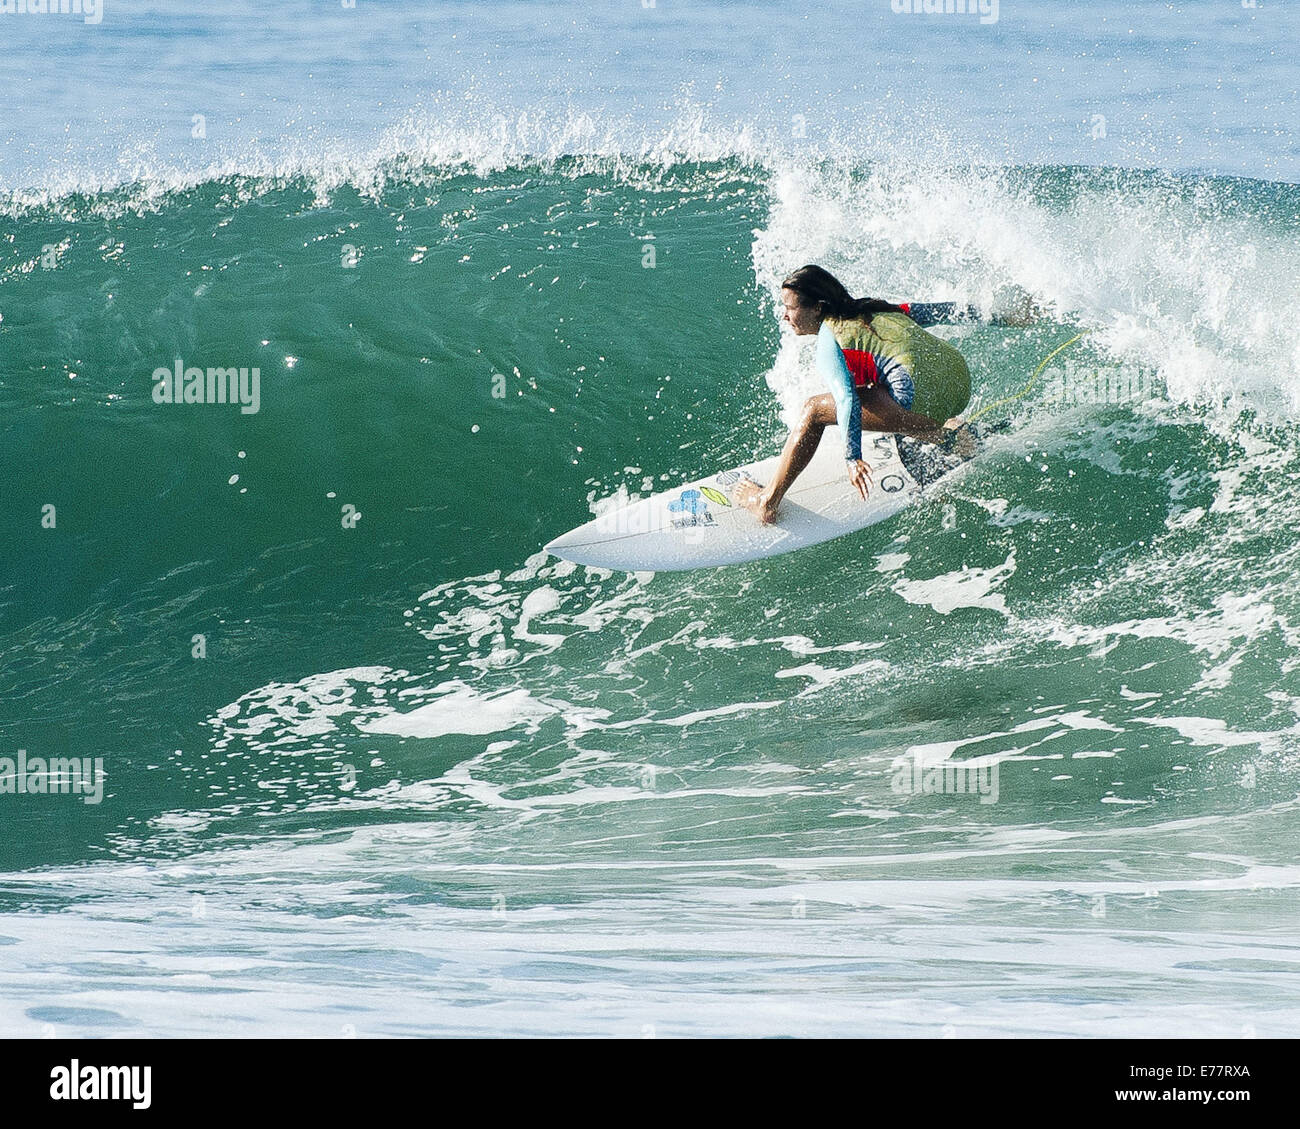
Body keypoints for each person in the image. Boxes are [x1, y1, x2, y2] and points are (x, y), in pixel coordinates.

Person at [734, 264, 977, 525]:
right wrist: (1003, 315)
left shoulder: (830, 339)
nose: (784, 316)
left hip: (921, 404)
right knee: (877, 386)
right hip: (961, 385)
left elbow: (846, 399)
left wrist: (853, 458)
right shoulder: (877, 309)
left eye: (790, 308)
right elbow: (947, 311)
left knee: (814, 410)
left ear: (817, 307)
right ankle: (952, 436)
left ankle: (766, 502)